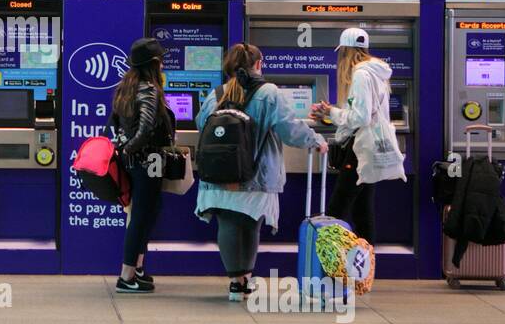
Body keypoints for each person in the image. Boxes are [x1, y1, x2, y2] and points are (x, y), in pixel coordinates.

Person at [196, 43, 327, 300]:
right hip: (254, 174)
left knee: (228, 223)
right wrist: (315, 140)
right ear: (258, 64)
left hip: (219, 174)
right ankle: (245, 279)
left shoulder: (217, 93)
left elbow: (202, 123)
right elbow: (289, 128)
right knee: (250, 224)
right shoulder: (269, 92)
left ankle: (236, 281)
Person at [312, 27, 406, 246]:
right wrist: (333, 112)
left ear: (345, 51)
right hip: (369, 148)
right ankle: (365, 267)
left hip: (360, 149)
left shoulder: (361, 74)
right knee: (362, 211)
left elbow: (360, 118)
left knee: (337, 209)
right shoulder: (376, 73)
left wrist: (331, 112)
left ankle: (332, 267)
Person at [109, 37, 175, 293]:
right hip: (148, 161)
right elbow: (146, 129)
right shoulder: (148, 88)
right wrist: (132, 148)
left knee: (147, 213)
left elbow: (113, 124)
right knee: (140, 217)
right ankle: (126, 276)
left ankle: (136, 268)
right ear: (155, 63)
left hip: (135, 162)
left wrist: (125, 150)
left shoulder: (125, 86)